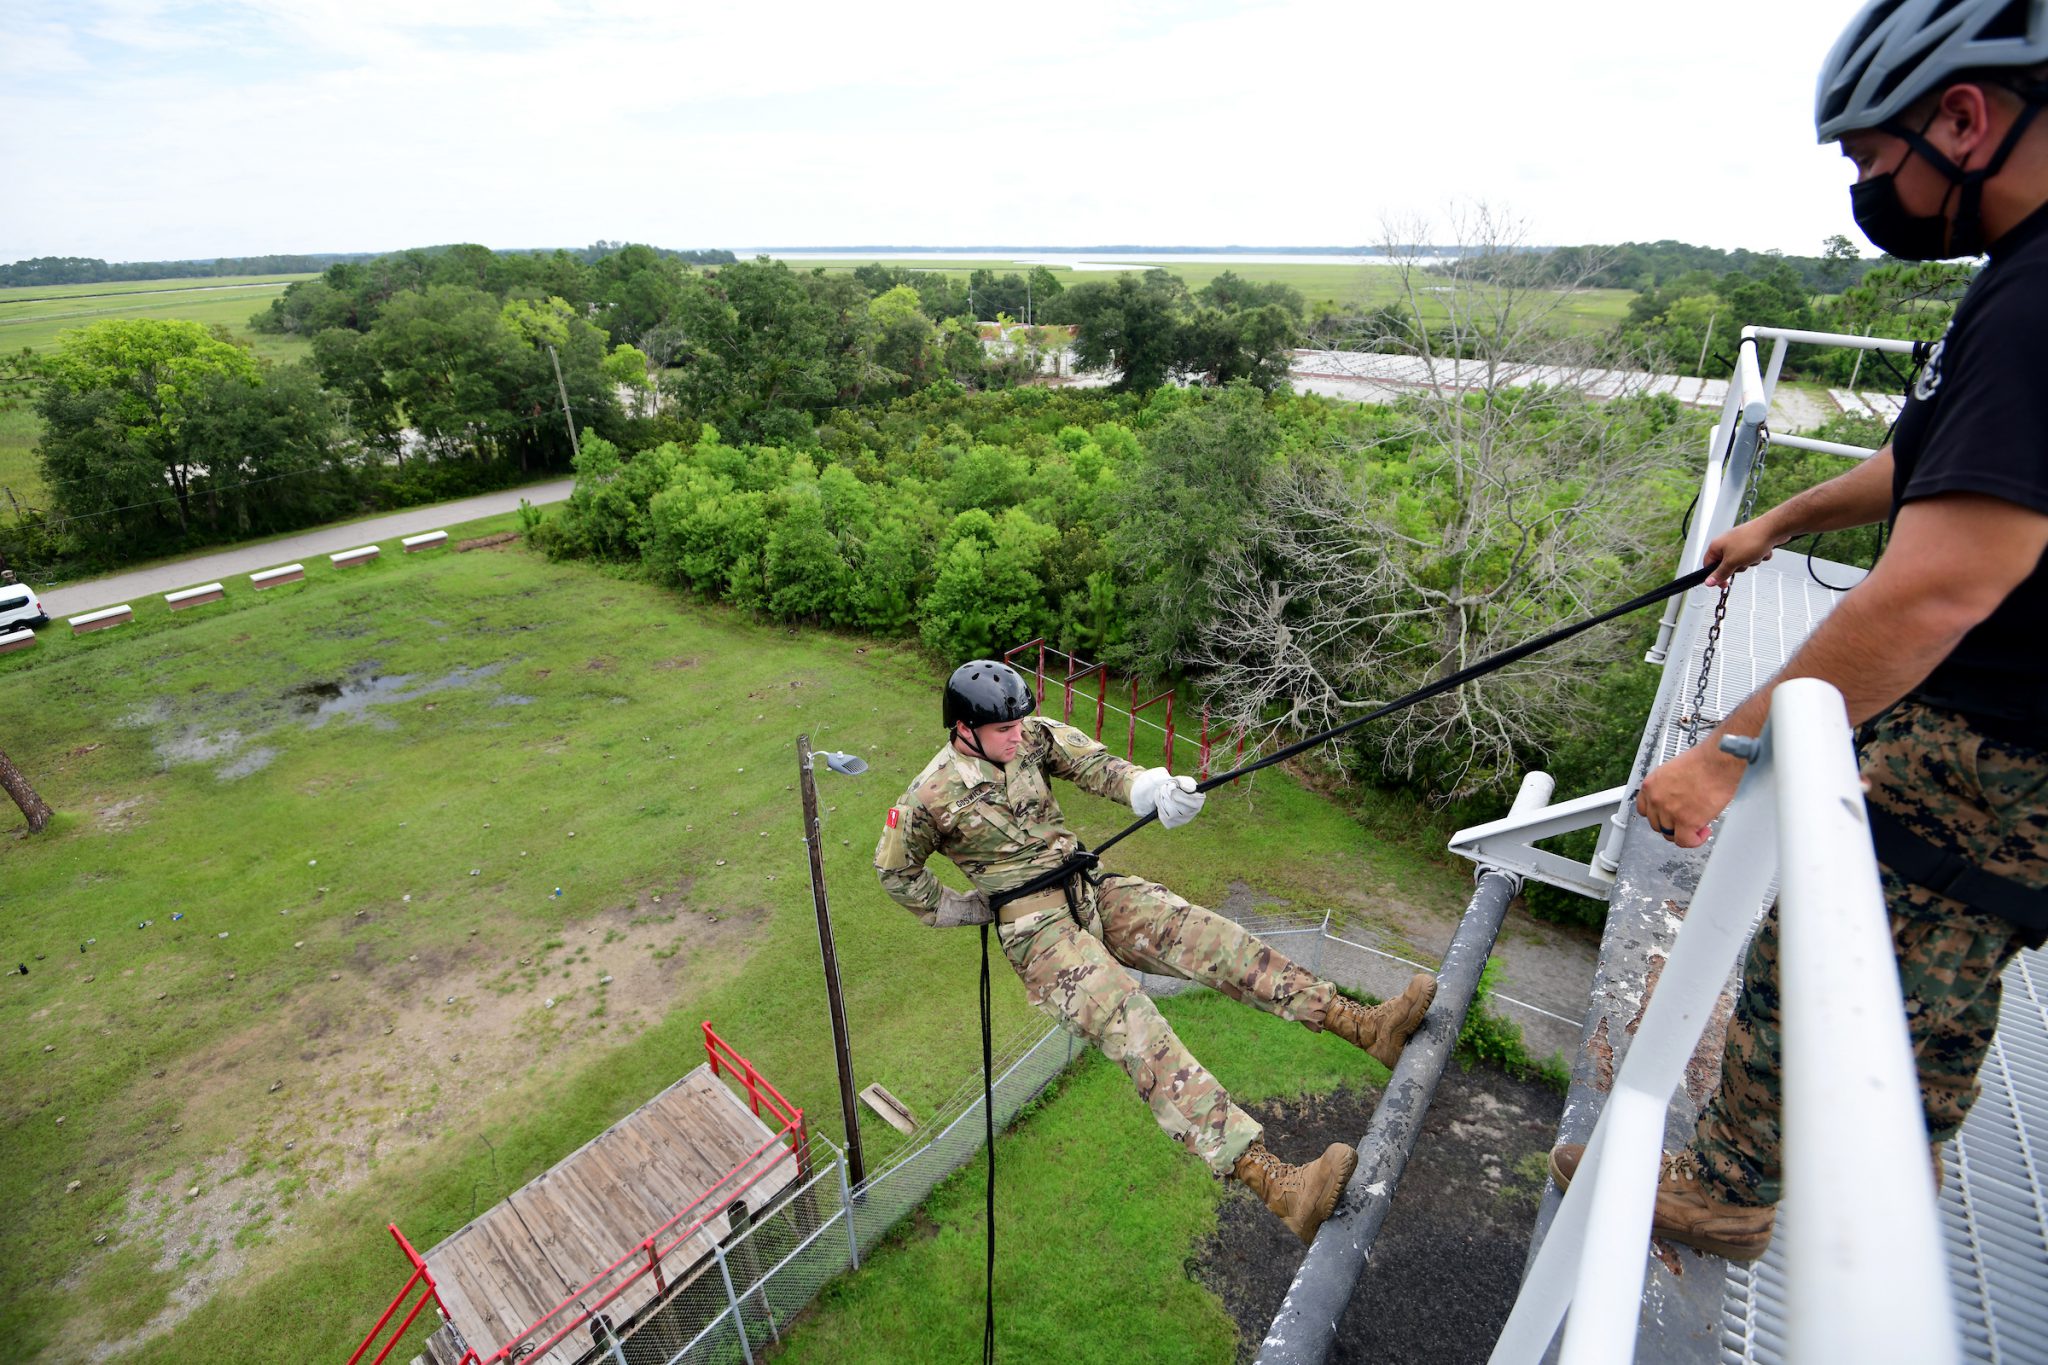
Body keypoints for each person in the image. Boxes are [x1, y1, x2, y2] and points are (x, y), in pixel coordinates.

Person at [1550, 0, 2048, 1261]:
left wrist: (1726, 747)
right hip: (1974, 724)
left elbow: (1941, 584)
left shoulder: (2041, 302)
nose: (1862, 190)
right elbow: (1928, 459)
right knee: (1848, 973)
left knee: (1872, 998)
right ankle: (1767, 1186)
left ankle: (1792, 1228)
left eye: (1866, 160)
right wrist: (1779, 519)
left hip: (1998, 747)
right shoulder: (2017, 280)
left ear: (1962, 117)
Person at [875, 660, 1438, 1244]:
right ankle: (1279, 1187)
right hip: (1037, 935)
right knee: (1136, 1025)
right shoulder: (928, 797)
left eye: (1019, 722)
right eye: (1003, 729)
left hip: (1087, 890)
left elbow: (1093, 764)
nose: (1017, 734)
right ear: (964, 729)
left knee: (1208, 935)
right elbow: (895, 873)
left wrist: (1152, 789)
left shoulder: (1029, 737)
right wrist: (972, 908)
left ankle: (1363, 1026)